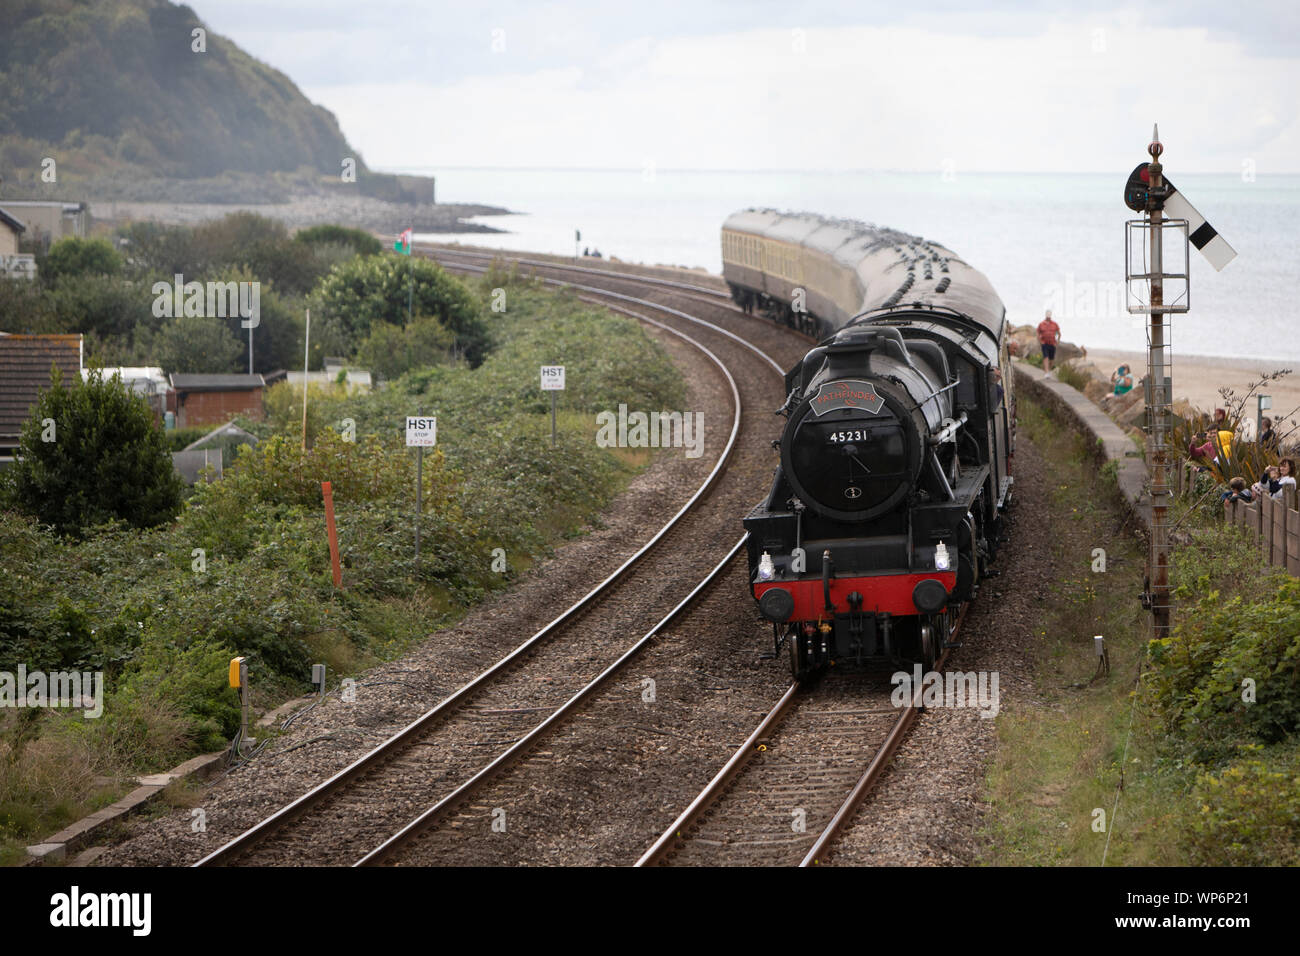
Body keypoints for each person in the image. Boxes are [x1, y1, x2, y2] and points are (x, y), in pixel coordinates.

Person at [1037, 310, 1061, 376]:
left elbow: (1059, 333)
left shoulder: (1054, 324)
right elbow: (1038, 333)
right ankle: (1046, 372)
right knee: (1046, 357)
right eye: (1047, 316)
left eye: (1049, 316)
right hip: (1044, 343)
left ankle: (1048, 370)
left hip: (1052, 343)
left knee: (1051, 359)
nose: (1048, 318)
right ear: (1046, 316)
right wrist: (1040, 341)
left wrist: (1057, 342)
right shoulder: (1041, 324)